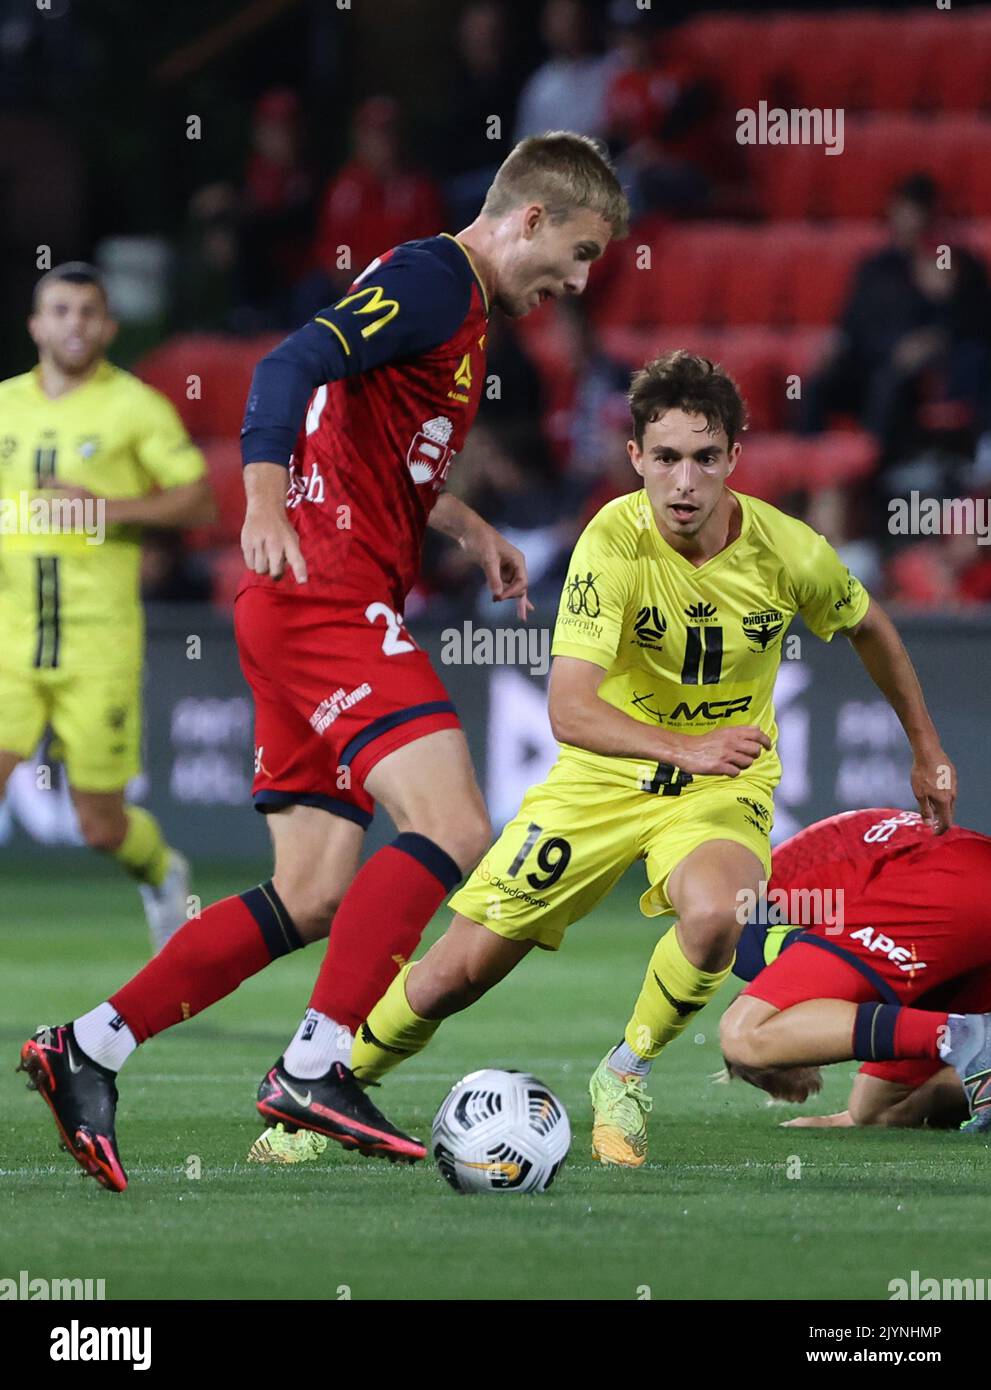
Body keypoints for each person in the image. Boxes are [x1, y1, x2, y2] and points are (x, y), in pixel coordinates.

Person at [18, 133, 629, 1192]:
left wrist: (464, 524)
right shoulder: (436, 276)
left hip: (309, 601)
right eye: (576, 254)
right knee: (454, 825)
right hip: (323, 597)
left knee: (307, 893)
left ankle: (89, 1047)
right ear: (529, 217)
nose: (575, 283)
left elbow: (374, 449)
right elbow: (287, 363)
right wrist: (257, 497)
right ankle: (315, 1066)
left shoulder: (464, 314)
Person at [285, 352, 954, 1169]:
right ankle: (318, 1099)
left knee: (715, 916)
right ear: (634, 457)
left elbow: (870, 627)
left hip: (722, 785)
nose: (683, 481)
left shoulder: (789, 551)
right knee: (450, 977)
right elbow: (569, 710)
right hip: (603, 779)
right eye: (664, 458)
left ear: (733, 460)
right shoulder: (613, 538)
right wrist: (688, 746)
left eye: (704, 458)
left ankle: (624, 1073)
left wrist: (926, 750)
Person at [0, 262, 214, 952]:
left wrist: (108, 508)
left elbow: (199, 499)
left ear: (108, 326)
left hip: (99, 642)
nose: (74, 324)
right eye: (59, 311)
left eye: (88, 312)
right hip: (10, 638)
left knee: (100, 824)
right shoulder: (6, 405)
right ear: (35, 324)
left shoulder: (135, 407)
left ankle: (161, 870)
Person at [719, 806, 991, 1134]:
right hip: (958, 904)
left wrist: (772, 1051)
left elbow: (831, 980)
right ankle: (970, 1043)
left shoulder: (751, 941)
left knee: (742, 1035)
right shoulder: (794, 890)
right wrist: (844, 1119)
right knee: (875, 1110)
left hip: (938, 882)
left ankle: (969, 1038)